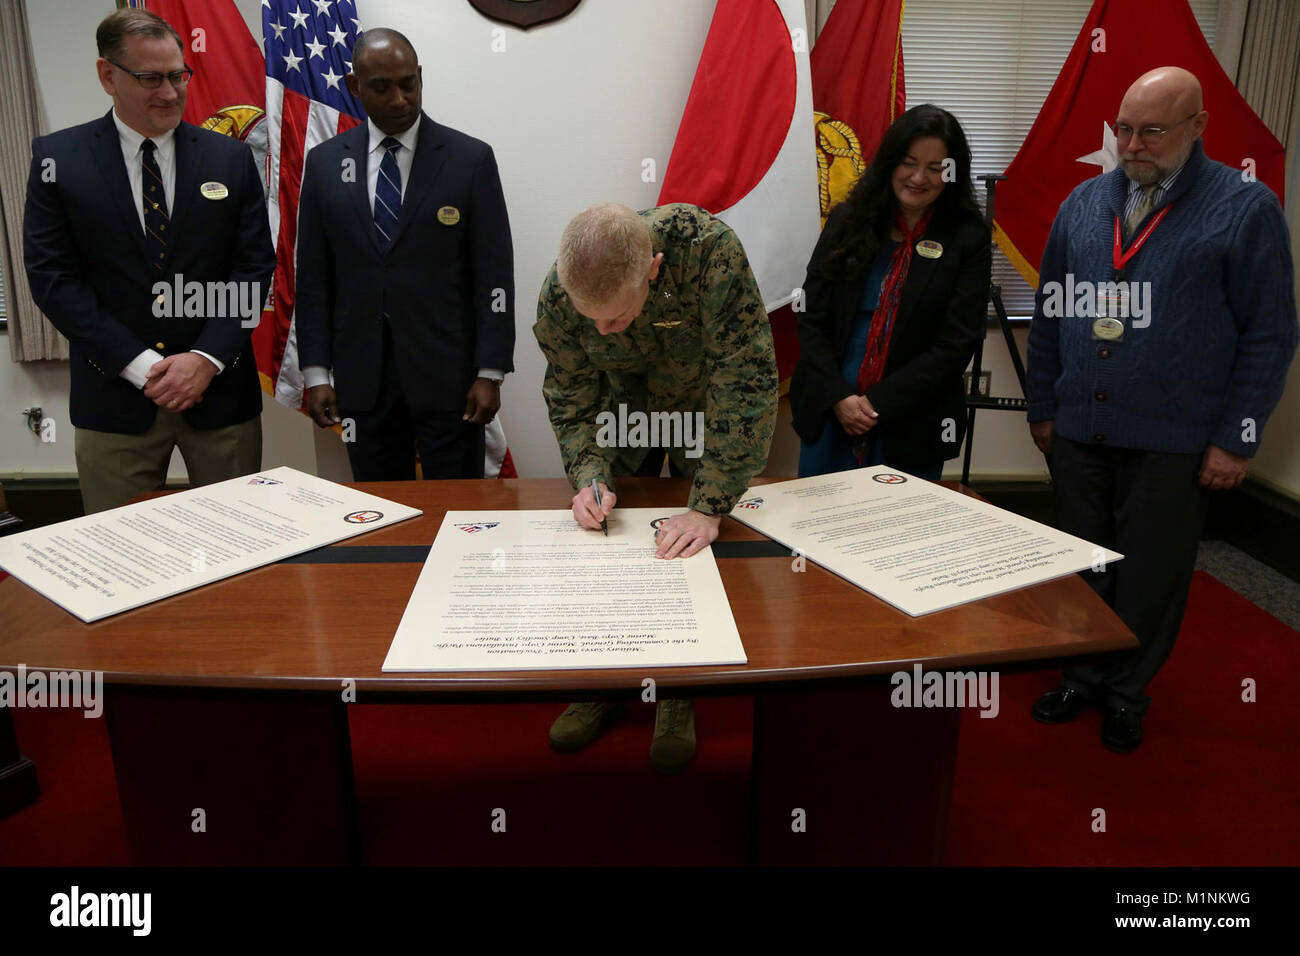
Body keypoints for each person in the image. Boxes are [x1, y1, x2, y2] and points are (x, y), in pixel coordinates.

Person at [1026, 66, 1298, 753]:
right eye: (1124, 129)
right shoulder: (1083, 203)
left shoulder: (1246, 208)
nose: (1134, 143)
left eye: (1152, 129)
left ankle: (1125, 693)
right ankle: (1081, 677)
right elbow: (1051, 316)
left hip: (1175, 438)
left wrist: (1237, 440)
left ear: (1197, 127)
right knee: (1083, 562)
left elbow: (1269, 333)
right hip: (1082, 426)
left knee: (1150, 571)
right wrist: (1042, 408)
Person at [533, 202, 778, 773]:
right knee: (607, 537)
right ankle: (606, 681)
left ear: (653, 269)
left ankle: (677, 692)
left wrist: (710, 505)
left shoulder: (710, 252)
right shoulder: (559, 295)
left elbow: (746, 381)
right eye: (590, 318)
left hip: (704, 409)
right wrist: (589, 477)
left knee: (687, 546)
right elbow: (571, 399)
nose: (601, 330)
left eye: (615, 318)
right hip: (622, 413)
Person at [23, 8, 275, 514]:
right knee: (118, 557)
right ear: (106, 75)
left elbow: (252, 269)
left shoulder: (229, 157)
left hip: (221, 396)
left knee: (242, 550)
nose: (170, 92)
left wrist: (204, 359)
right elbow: (54, 279)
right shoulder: (59, 158)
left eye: (178, 75)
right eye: (150, 78)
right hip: (113, 400)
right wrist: (142, 367)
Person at [296, 28, 514, 480]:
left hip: (452, 380)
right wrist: (317, 374)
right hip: (362, 382)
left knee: (459, 514)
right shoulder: (323, 164)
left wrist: (490, 371)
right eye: (381, 87)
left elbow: (493, 275)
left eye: (408, 83)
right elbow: (314, 279)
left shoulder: (468, 159)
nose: (399, 99)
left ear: (419, 78)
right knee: (380, 512)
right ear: (355, 87)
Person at [790, 104, 990, 480]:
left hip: (911, 417)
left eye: (935, 168)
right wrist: (840, 398)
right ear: (890, 162)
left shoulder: (968, 237)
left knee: (897, 533)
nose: (919, 177)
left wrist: (875, 404)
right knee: (816, 526)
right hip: (831, 406)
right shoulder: (847, 222)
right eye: (909, 162)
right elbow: (811, 317)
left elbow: (956, 343)